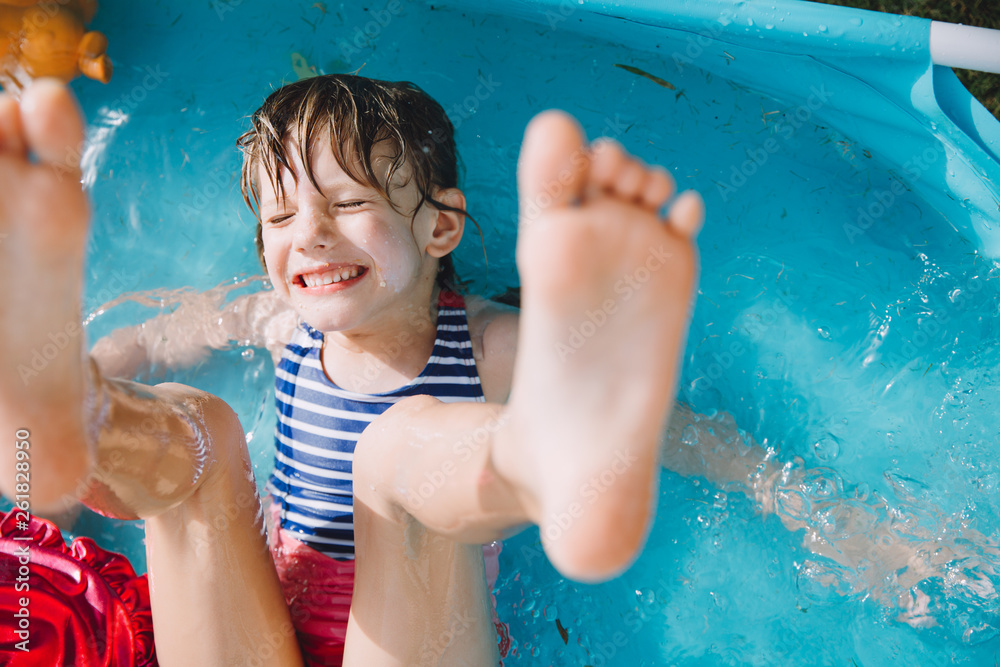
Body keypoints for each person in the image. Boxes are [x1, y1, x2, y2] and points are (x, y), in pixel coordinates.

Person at [0, 76, 703, 665]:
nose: (308, 232)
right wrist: (89, 372)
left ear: (440, 229)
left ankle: (538, 456)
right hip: (253, 632)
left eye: (349, 203)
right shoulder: (281, 323)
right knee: (196, 427)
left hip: (417, 634)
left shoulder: (491, 345)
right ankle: (81, 411)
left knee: (399, 448)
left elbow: (657, 422)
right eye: (280, 215)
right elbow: (157, 336)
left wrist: (777, 488)